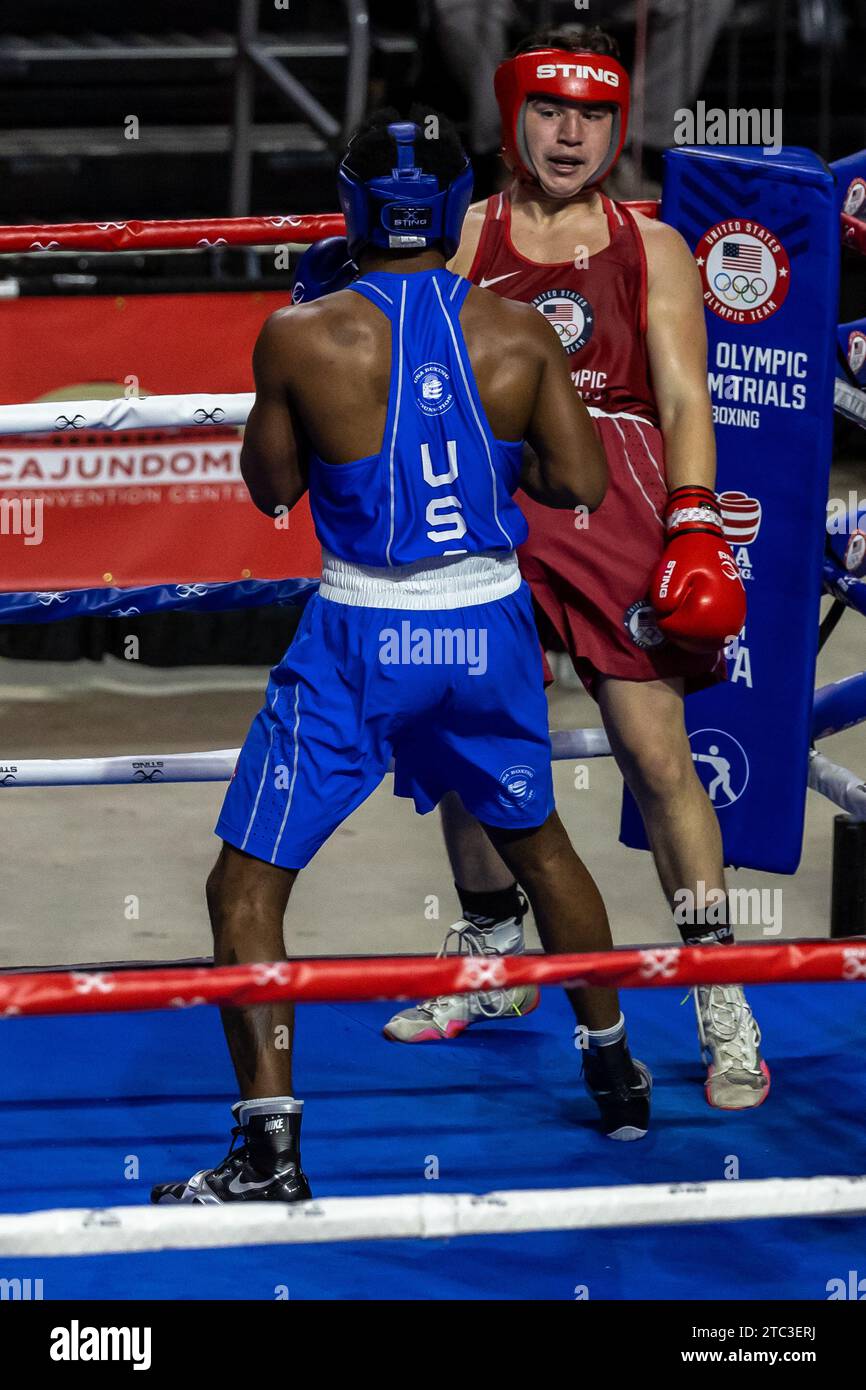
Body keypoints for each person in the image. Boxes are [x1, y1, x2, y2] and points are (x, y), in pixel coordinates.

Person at [152, 109, 653, 1206]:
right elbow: (580, 487)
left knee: (245, 882)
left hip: (362, 633)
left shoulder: (302, 335)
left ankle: (270, 1150)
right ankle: (616, 1073)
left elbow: (271, 488)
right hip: (485, 628)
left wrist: (298, 330)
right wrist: (479, 449)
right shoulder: (518, 333)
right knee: (540, 849)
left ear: (355, 206)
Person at [383, 26, 770, 1113]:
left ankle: (714, 993)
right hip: (492, 497)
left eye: (591, 114)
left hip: (611, 498)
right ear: (512, 117)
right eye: (549, 110)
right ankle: (497, 958)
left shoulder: (650, 246)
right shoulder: (461, 237)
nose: (569, 133)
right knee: (469, 735)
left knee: (654, 753)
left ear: (615, 123)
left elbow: (686, 395)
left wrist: (694, 523)